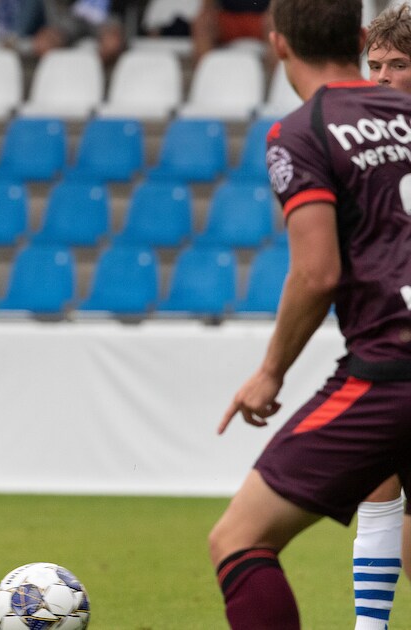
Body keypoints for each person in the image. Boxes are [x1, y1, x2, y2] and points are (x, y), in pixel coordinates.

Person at [210, 1, 411, 628]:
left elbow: (317, 272)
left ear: (277, 46)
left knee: (239, 538)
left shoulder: (302, 131)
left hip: (393, 365)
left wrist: (270, 371)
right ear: (356, 40)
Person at [342, 7, 411, 627]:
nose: (383, 76)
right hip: (389, 337)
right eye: (376, 64)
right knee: (378, 484)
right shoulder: (364, 145)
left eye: (399, 64)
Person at [192, 0, 270, 62]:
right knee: (202, 23)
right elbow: (207, 7)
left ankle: (278, 78)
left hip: (261, 21)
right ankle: (208, 75)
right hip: (228, 20)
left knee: (276, 23)